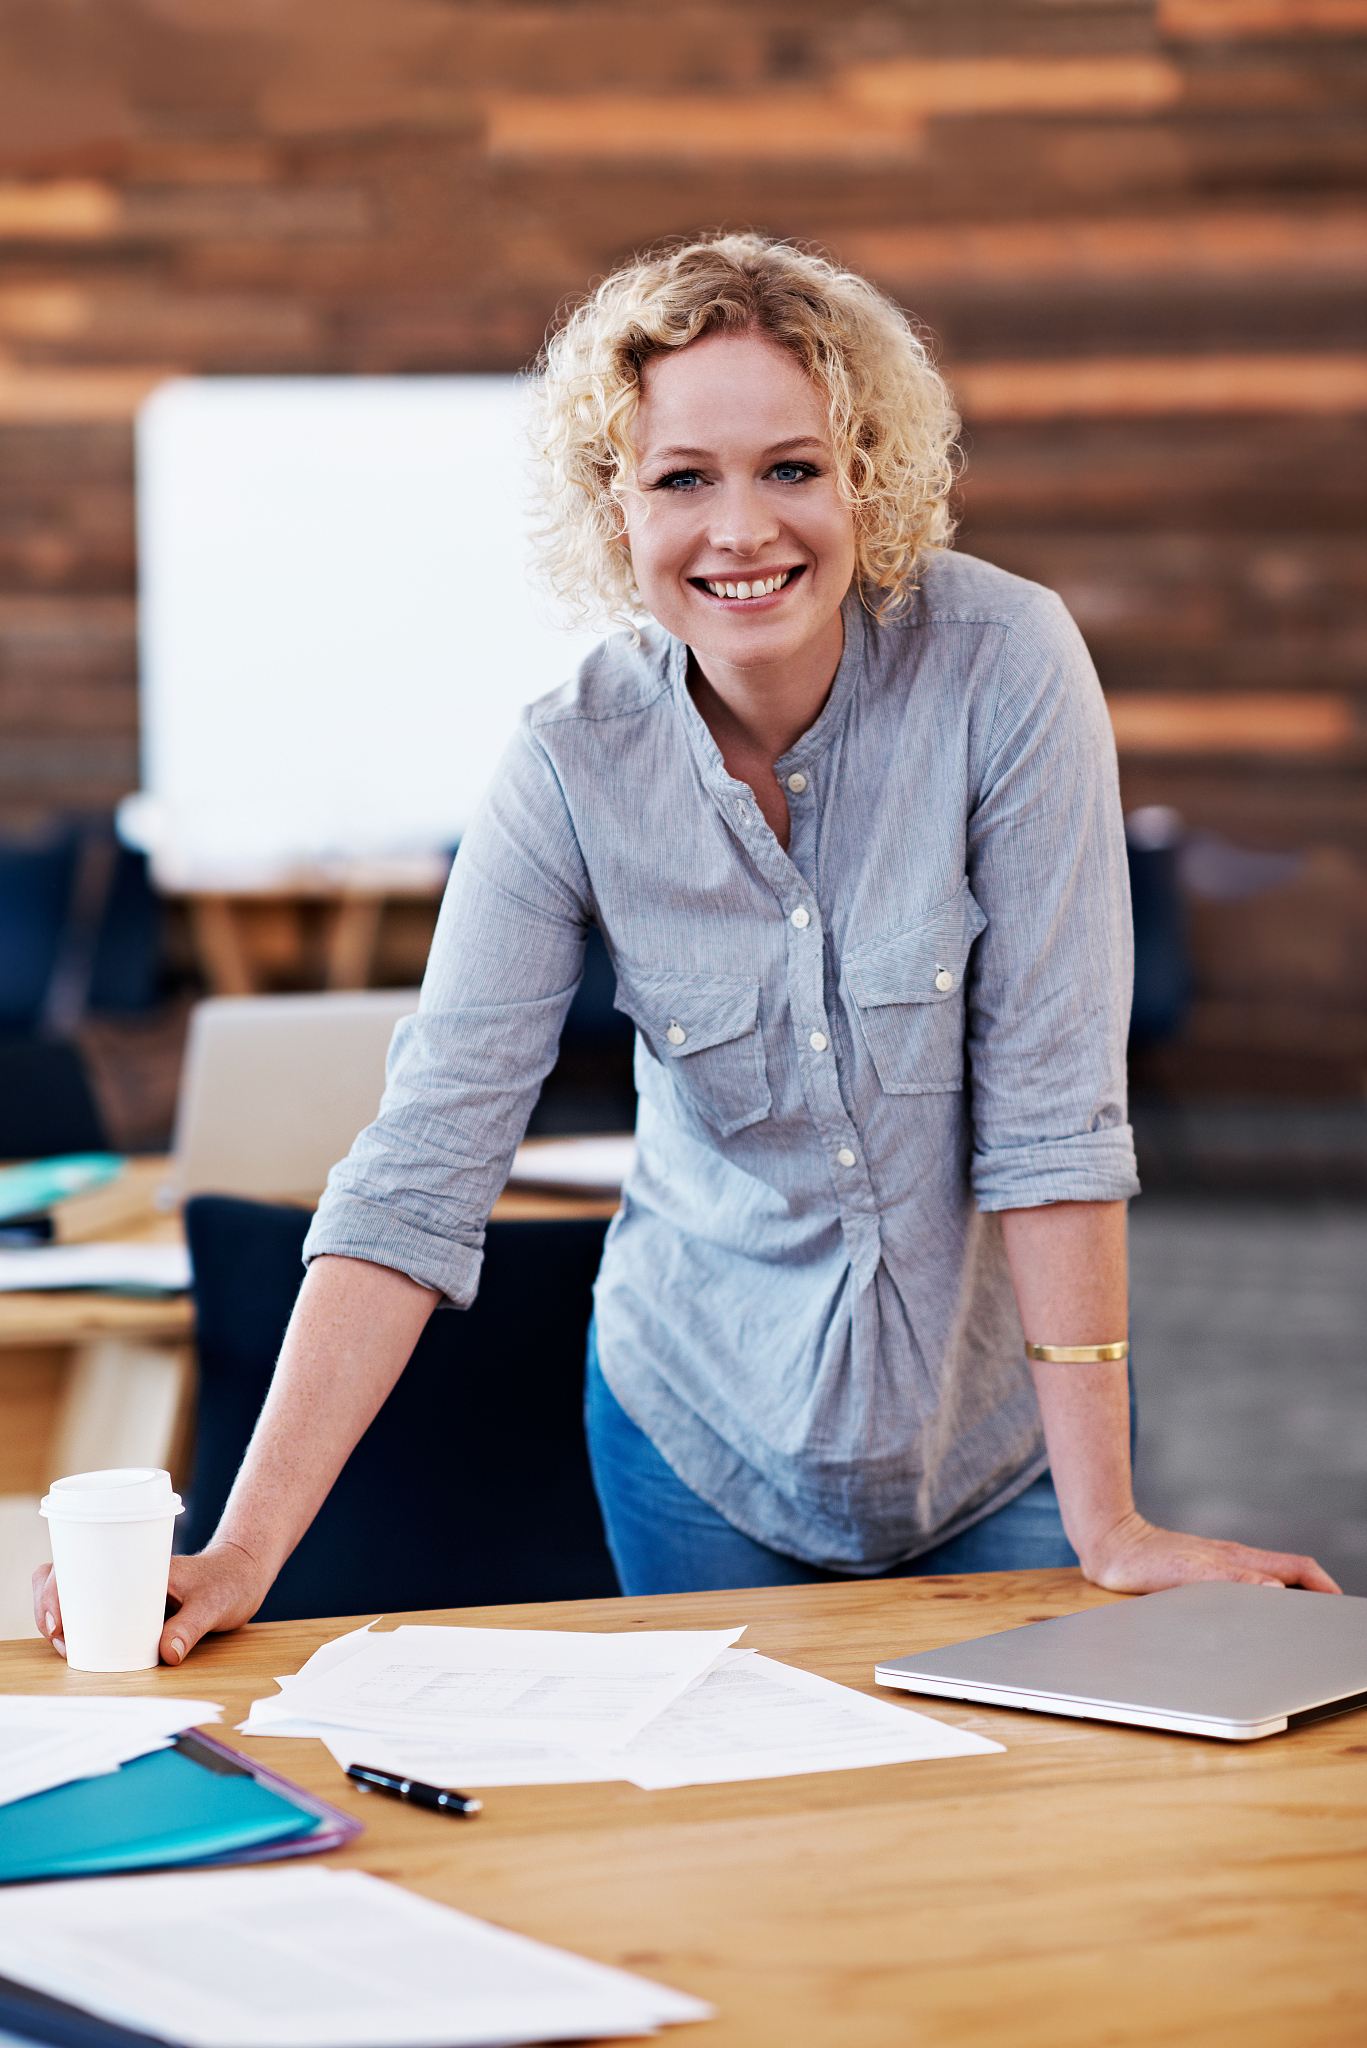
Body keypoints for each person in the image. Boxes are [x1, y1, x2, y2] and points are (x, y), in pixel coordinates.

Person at [34, 234, 1337, 1662]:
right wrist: (240, 1548)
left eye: (792, 467)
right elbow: (422, 1167)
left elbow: (1053, 1117)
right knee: (739, 1866)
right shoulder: (568, 765)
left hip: (1008, 1453)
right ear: (617, 508)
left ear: (868, 477)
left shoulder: (1005, 668)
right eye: (681, 479)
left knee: (1036, 1858)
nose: (742, 530)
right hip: (698, 1444)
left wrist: (1110, 1525)